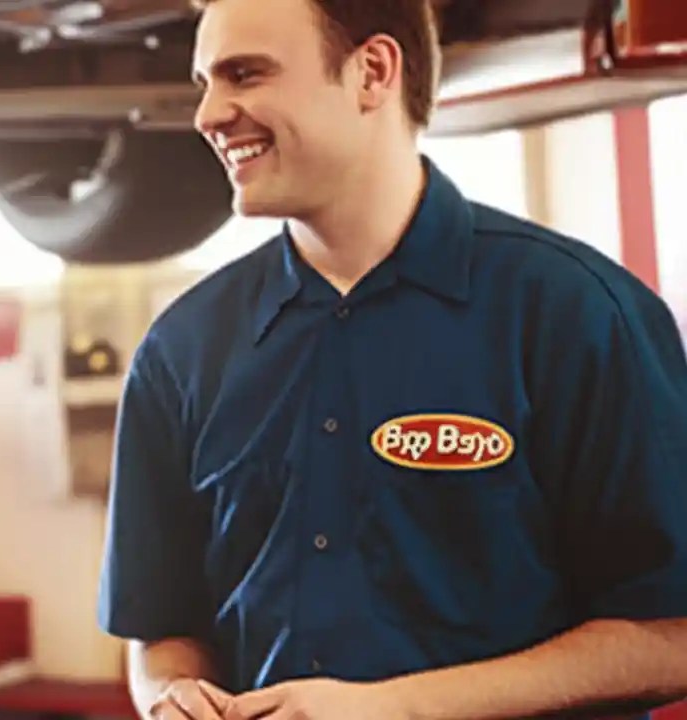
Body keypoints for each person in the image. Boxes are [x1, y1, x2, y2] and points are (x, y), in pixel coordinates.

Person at [97, 0, 687, 718]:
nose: (208, 114)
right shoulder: (180, 351)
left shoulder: (579, 316)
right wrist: (172, 699)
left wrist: (396, 708)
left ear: (372, 72)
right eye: (204, 83)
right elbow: (160, 630)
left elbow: (669, 635)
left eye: (245, 74)